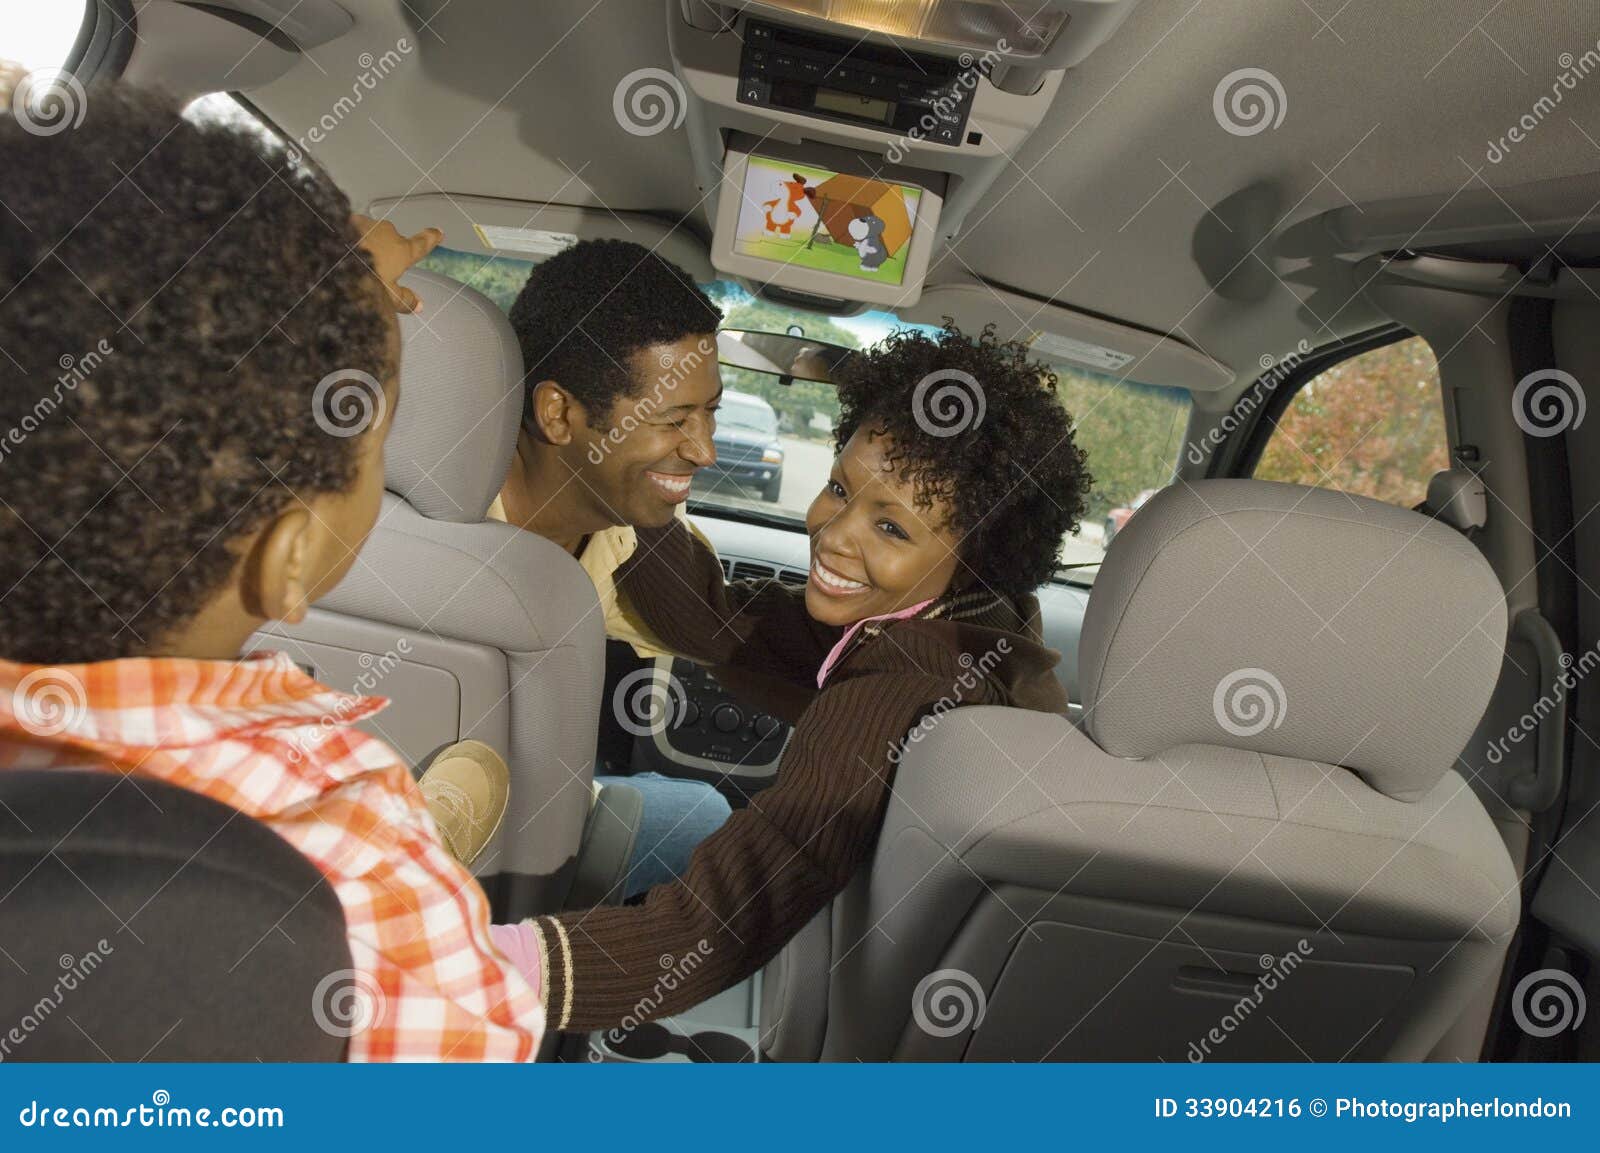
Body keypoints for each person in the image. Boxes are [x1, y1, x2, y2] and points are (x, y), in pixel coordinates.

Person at [0, 83, 547, 1059]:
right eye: (369, 441)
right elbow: (479, 1049)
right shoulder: (341, 843)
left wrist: (334, 304)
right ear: (289, 559)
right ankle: (448, 819)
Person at [512, 323, 1094, 1031]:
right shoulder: (987, 623)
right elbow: (723, 625)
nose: (834, 532)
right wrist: (633, 484)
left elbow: (726, 916)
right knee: (692, 809)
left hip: (840, 1012)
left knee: (681, 810)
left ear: (976, 556)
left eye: (892, 529)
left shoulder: (906, 680)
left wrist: (488, 965)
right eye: (839, 487)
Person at [493, 239, 735, 897]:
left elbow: (729, 634)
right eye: (674, 419)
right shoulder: (405, 508)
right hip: (479, 835)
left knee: (701, 813)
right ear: (559, 414)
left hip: (508, 823)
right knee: (706, 813)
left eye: (711, 410)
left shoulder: (637, 549)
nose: (705, 450)